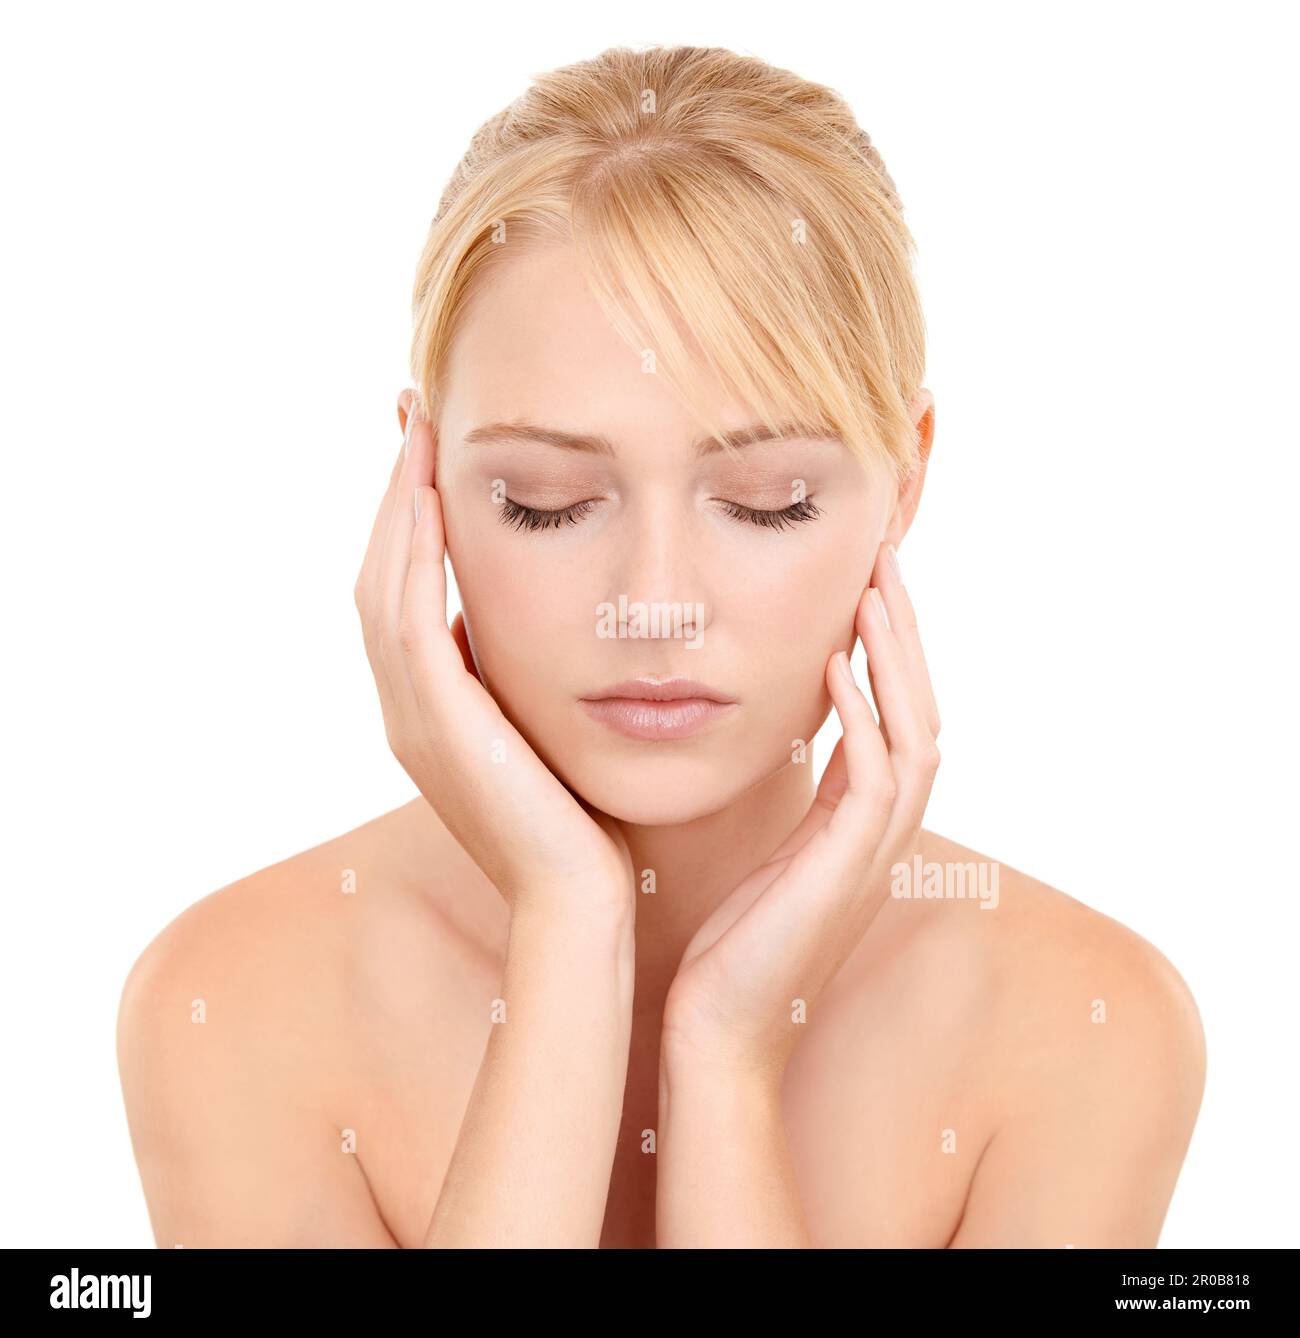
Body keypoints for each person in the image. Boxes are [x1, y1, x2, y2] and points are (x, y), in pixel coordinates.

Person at [117, 44, 1205, 1248]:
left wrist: (727, 1063)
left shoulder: (1089, 1025)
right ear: (417, 483)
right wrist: (571, 926)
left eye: (767, 500)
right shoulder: (228, 1005)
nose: (654, 604)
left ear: (905, 480)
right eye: (543, 500)